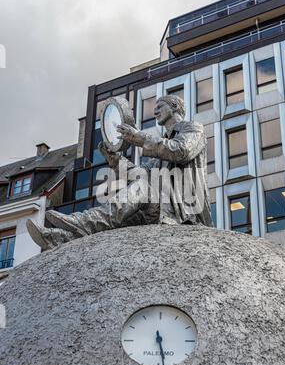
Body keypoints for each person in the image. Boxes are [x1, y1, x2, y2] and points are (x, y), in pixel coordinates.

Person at [27, 95, 212, 250]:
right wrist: (115, 160)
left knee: (142, 190)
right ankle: (56, 237)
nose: (155, 111)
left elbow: (181, 151)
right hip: (162, 210)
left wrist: (139, 138)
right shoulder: (161, 147)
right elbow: (141, 173)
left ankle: (79, 221)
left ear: (173, 107)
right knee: (115, 222)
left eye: (159, 106)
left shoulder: (193, 128)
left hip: (184, 212)